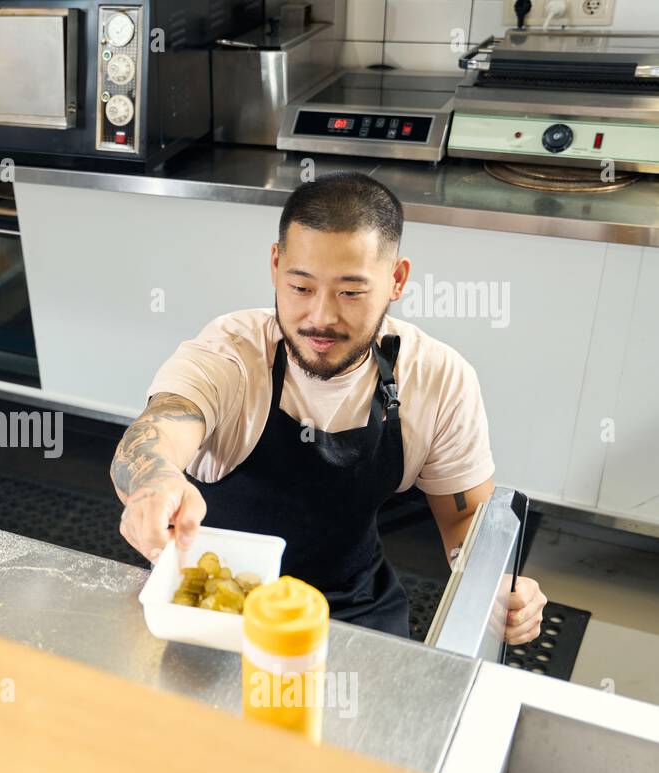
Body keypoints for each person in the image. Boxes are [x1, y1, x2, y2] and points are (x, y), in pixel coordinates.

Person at [110, 171, 546, 643]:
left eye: (351, 292)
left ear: (397, 279)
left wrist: (493, 587)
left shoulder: (438, 378)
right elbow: (158, 430)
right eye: (301, 288)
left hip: (352, 609)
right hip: (217, 599)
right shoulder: (231, 353)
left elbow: (465, 517)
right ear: (276, 266)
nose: (321, 317)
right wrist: (153, 480)